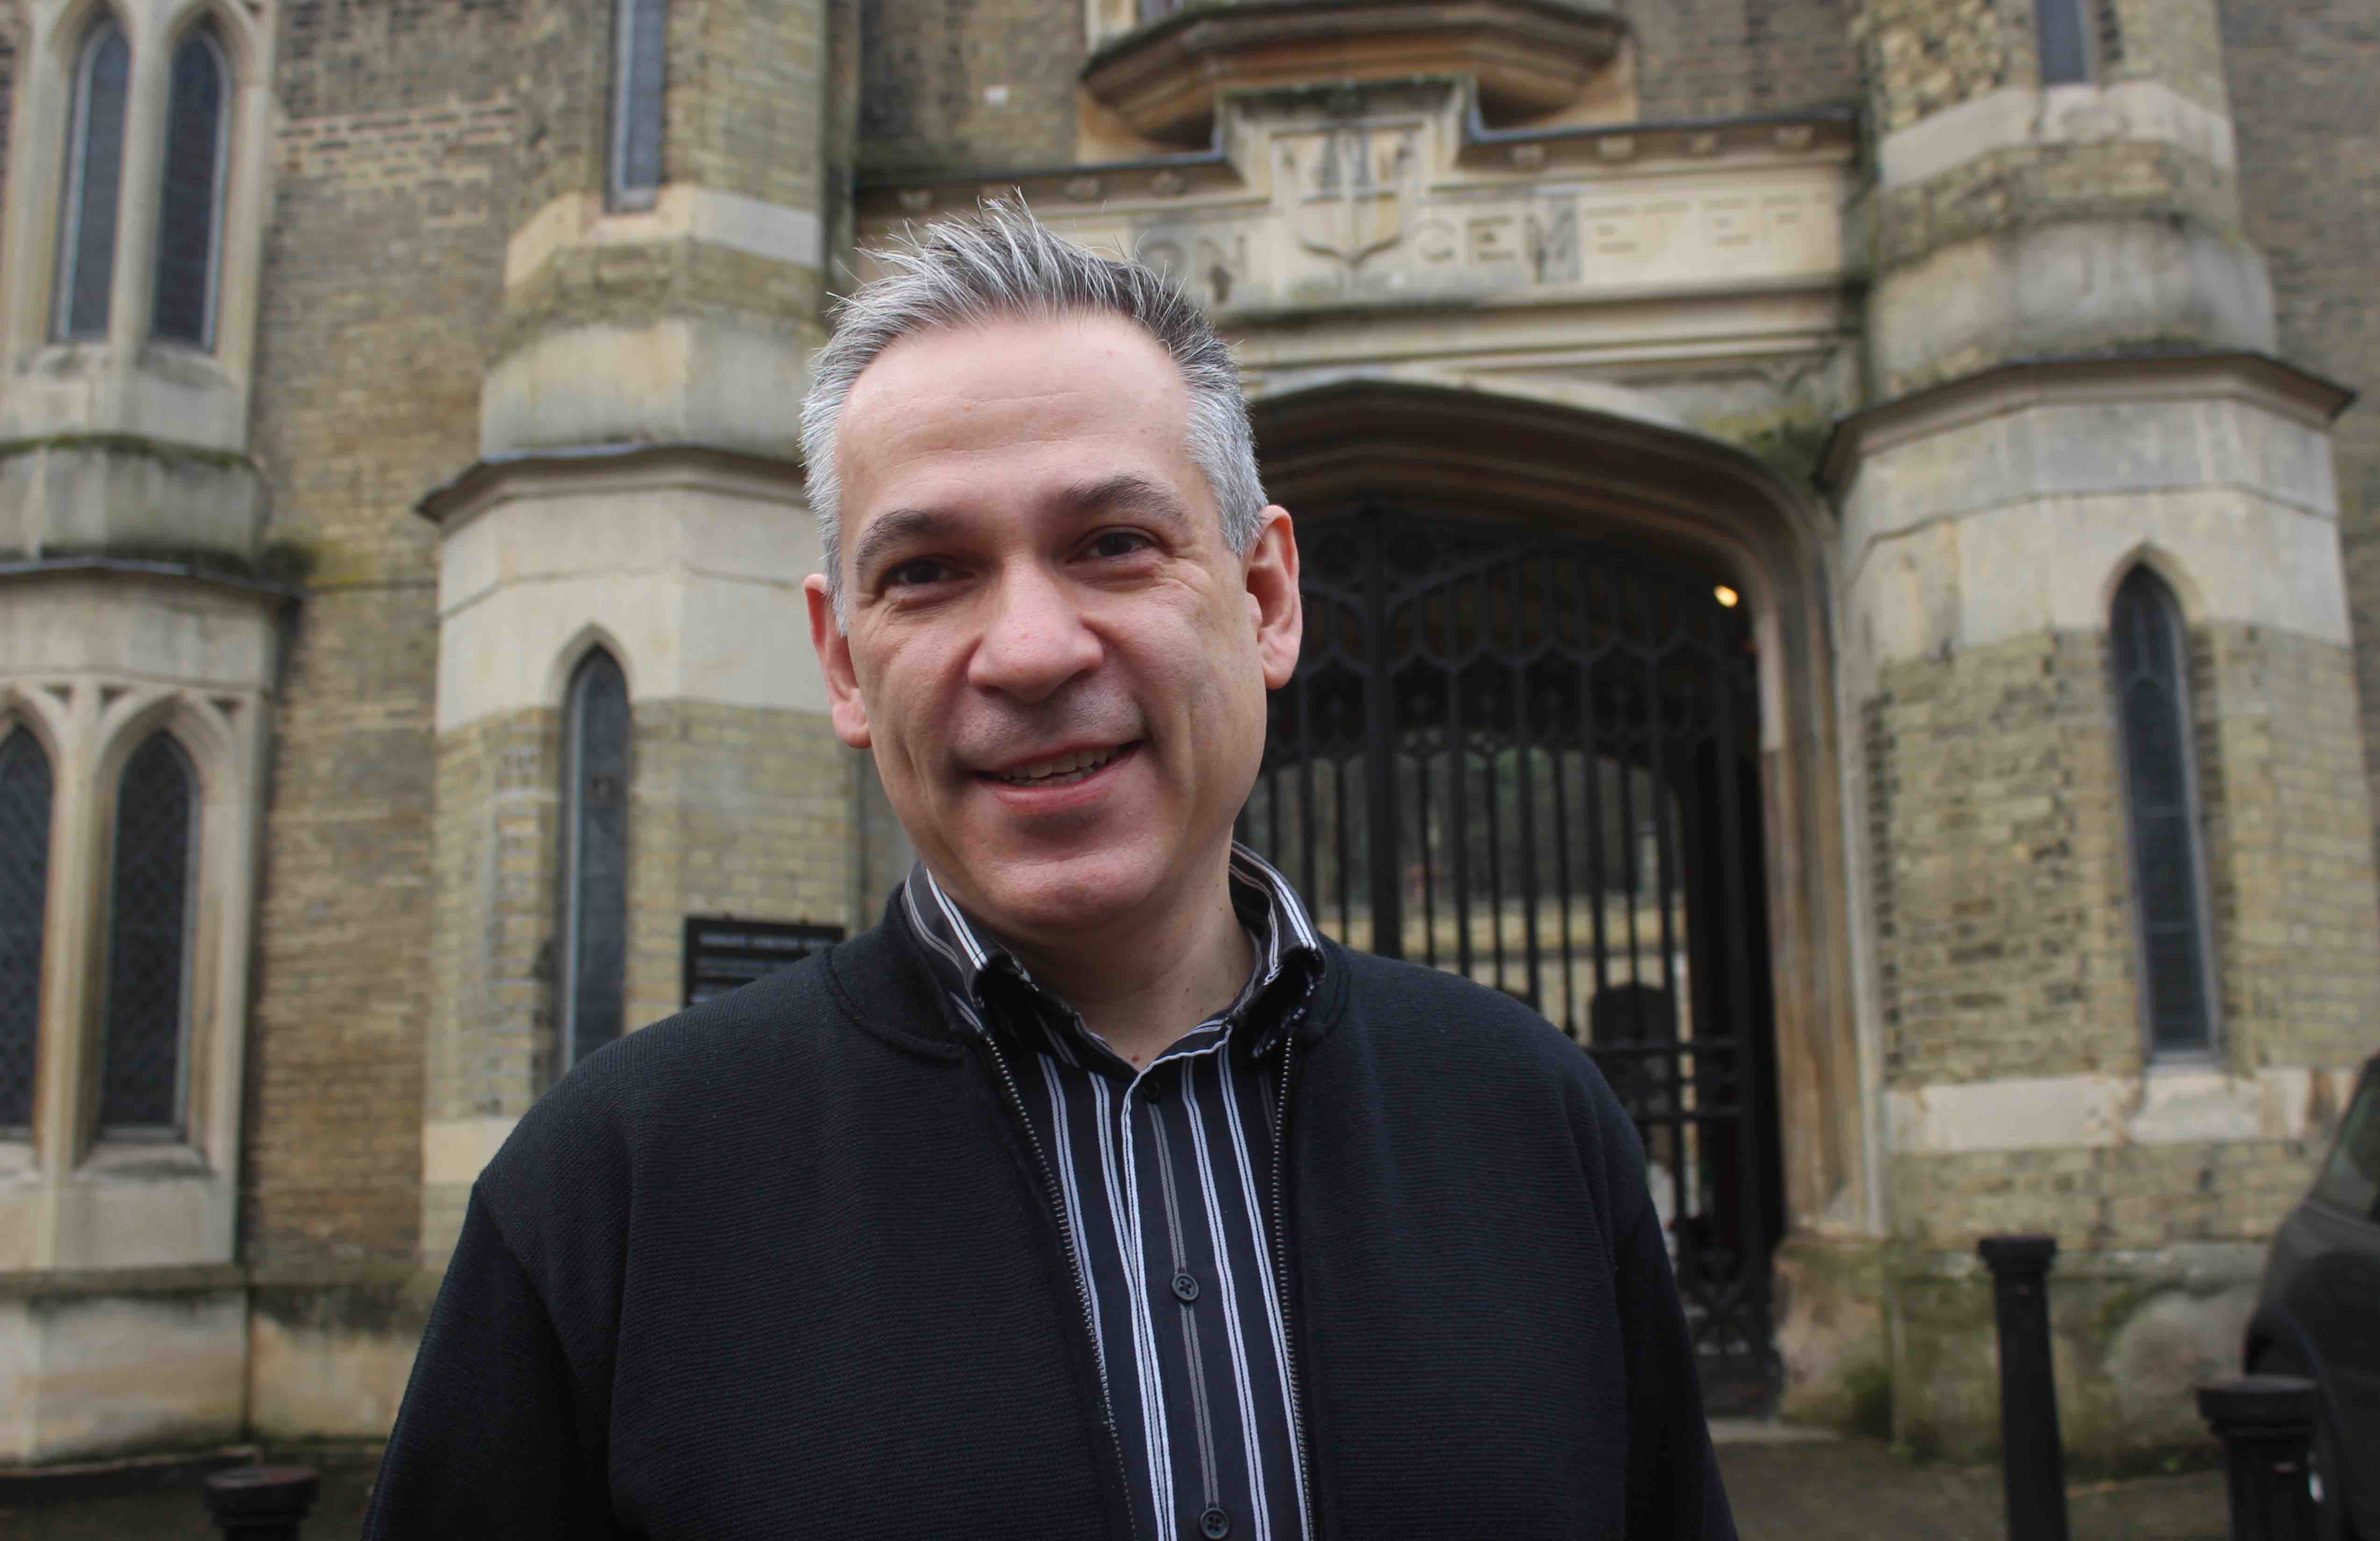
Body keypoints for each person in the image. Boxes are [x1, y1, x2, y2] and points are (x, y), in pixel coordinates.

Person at [363, 204, 1737, 1540]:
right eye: (929, 571)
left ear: (1265, 599)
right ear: (844, 661)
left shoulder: (1532, 1122)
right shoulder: (610, 1191)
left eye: (1114, 545)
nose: (1029, 650)